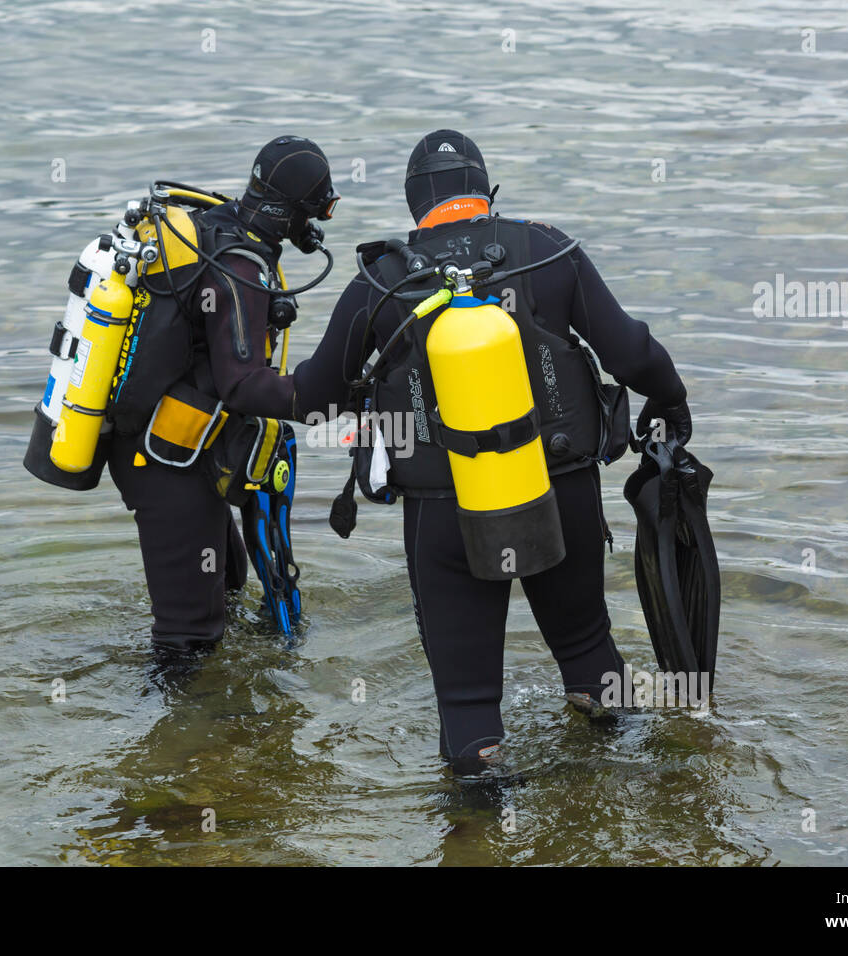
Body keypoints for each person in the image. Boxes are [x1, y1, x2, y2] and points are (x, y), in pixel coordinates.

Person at [289, 130, 691, 773]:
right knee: (593, 662)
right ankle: (634, 793)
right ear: (486, 192)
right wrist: (671, 404)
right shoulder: (546, 249)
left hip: (446, 512)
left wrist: (237, 389)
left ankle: (479, 826)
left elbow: (315, 398)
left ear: (416, 205)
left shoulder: (381, 279)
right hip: (556, 493)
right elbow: (631, 351)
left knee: (468, 708)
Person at [106, 136, 339, 653]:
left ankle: (230, 726)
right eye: (319, 207)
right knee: (188, 634)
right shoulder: (241, 267)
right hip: (164, 460)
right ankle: (173, 730)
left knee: (227, 590)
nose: (318, 224)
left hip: (171, 450)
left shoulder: (215, 231)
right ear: (293, 212)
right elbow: (243, 384)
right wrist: (316, 397)